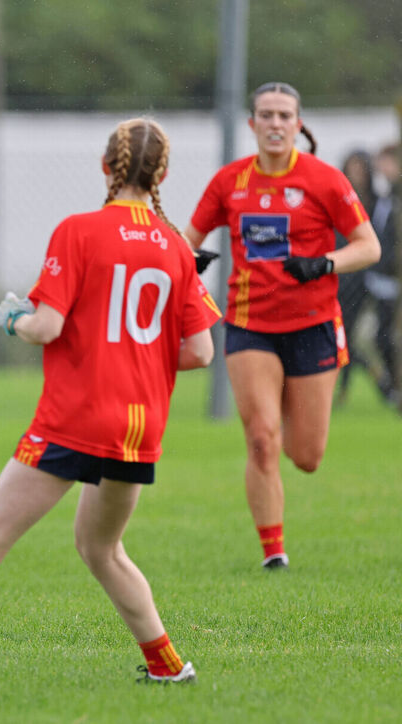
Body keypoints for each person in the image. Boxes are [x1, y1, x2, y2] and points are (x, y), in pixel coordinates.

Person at [0, 118, 221, 693]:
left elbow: (45, 326)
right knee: (102, 548)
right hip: (137, 427)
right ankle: (167, 664)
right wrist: (138, 354)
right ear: (162, 175)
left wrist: (11, 317)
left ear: (106, 168)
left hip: (75, 417)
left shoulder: (79, 231)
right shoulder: (176, 249)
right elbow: (201, 352)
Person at [181, 82, 381, 570]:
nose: (274, 123)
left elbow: (368, 246)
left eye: (283, 115)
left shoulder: (325, 180)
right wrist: (190, 257)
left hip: (314, 325)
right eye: (265, 115)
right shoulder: (229, 182)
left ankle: (294, 411)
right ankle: (274, 552)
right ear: (251, 124)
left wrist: (324, 264)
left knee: (306, 454)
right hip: (251, 325)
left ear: (298, 124)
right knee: (261, 440)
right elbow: (186, 238)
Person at [334, 150, 375, 405]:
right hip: (340, 276)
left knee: (348, 336)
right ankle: (371, 376)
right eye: (353, 168)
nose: (356, 173)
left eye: (361, 168)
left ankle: (348, 387)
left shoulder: (374, 202)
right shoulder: (338, 200)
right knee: (342, 336)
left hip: (363, 280)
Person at [364, 144, 400, 404]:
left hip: (392, 282)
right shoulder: (383, 197)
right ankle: (390, 387)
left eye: (385, 161)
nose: (379, 167)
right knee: (369, 339)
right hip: (377, 281)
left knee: (390, 339)